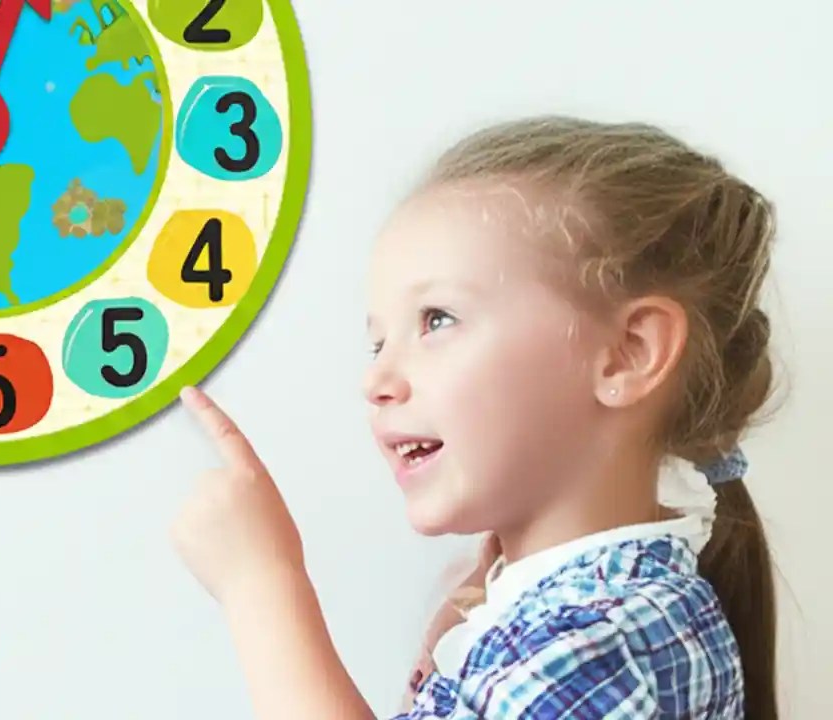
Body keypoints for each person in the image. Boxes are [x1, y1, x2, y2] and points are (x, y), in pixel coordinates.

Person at [169, 115, 780, 719]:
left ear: (628, 353)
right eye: (378, 344)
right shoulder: (574, 620)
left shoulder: (600, 645)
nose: (375, 381)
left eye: (436, 320)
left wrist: (260, 583)